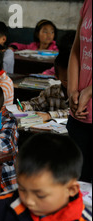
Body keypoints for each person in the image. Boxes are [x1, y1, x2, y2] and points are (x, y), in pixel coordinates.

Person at [67, 0, 92, 183]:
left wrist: (89, 91)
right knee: (76, 183)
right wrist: (72, 90)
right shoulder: (88, 4)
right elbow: (77, 49)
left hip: (87, 98)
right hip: (80, 113)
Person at [20, 48, 71, 121]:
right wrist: (24, 106)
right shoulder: (51, 91)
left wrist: (49, 115)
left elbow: (73, 113)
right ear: (57, 76)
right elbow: (36, 104)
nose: (72, 82)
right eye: (67, 80)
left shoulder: (82, 93)